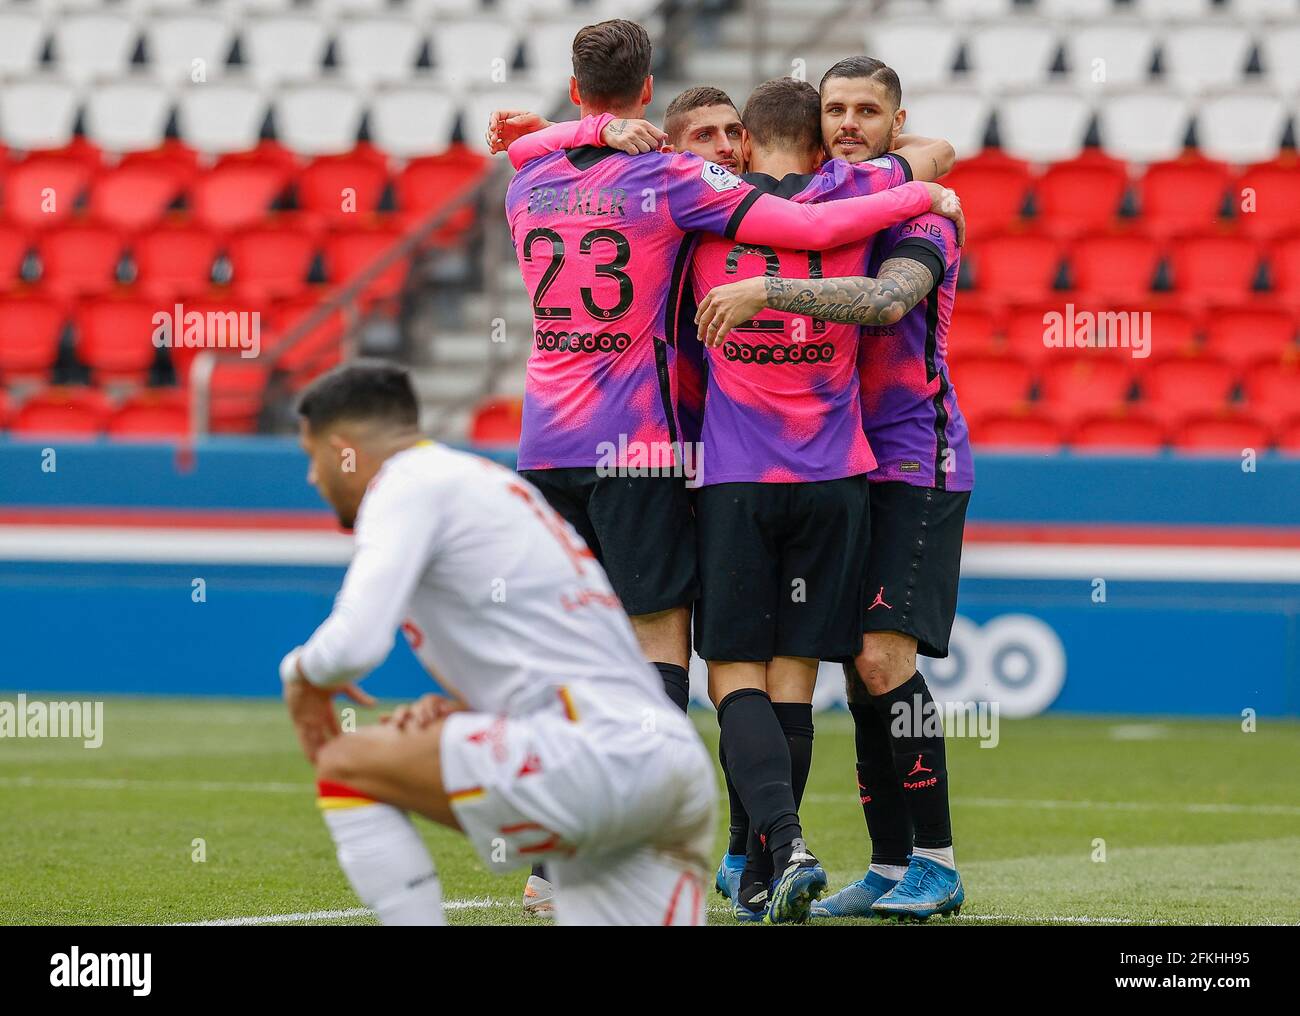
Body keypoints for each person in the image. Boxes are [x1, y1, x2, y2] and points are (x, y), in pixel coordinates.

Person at [280, 361, 717, 925]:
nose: (314, 479)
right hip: (668, 766)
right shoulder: (489, 484)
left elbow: (353, 646)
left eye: (312, 458)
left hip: (597, 758)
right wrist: (477, 711)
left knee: (346, 761)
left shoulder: (405, 482)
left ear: (343, 449)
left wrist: (298, 677)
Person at [693, 56, 973, 921]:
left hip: (915, 459)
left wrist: (768, 291)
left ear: (896, 120)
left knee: (885, 658)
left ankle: (938, 859)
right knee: (854, 670)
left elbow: (890, 303)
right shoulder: (826, 204)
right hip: (846, 465)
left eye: (868, 111)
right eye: (836, 109)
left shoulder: (923, 222)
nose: (850, 122)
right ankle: (888, 865)